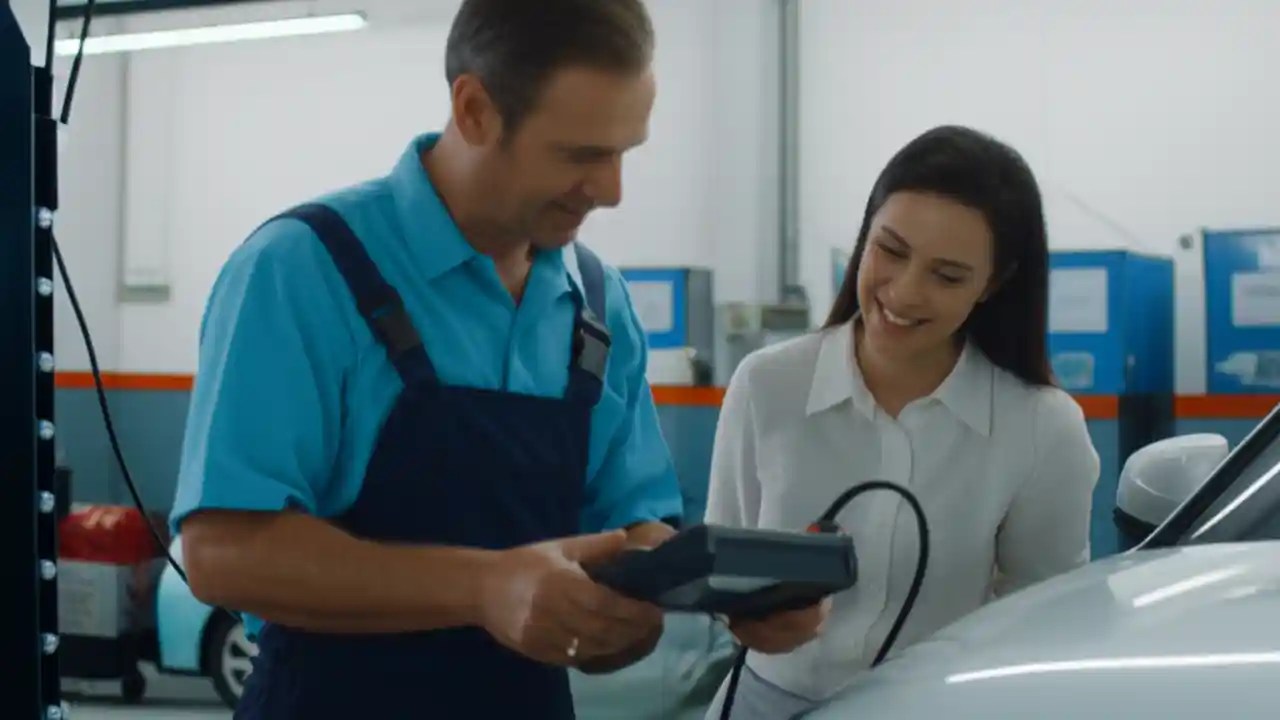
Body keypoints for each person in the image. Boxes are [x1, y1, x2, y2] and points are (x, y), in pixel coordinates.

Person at [164, 2, 783, 718]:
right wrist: (483, 588)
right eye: (579, 154)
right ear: (476, 110)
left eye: (624, 152)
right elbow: (223, 552)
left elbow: (633, 527)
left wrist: (659, 601)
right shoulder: (302, 271)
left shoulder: (598, 304)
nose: (612, 191)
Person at [701, 125, 1102, 719]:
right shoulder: (767, 385)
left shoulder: (1042, 427)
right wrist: (745, 614)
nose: (905, 292)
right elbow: (720, 568)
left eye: (948, 275)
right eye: (890, 250)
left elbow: (1042, 619)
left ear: (993, 283)